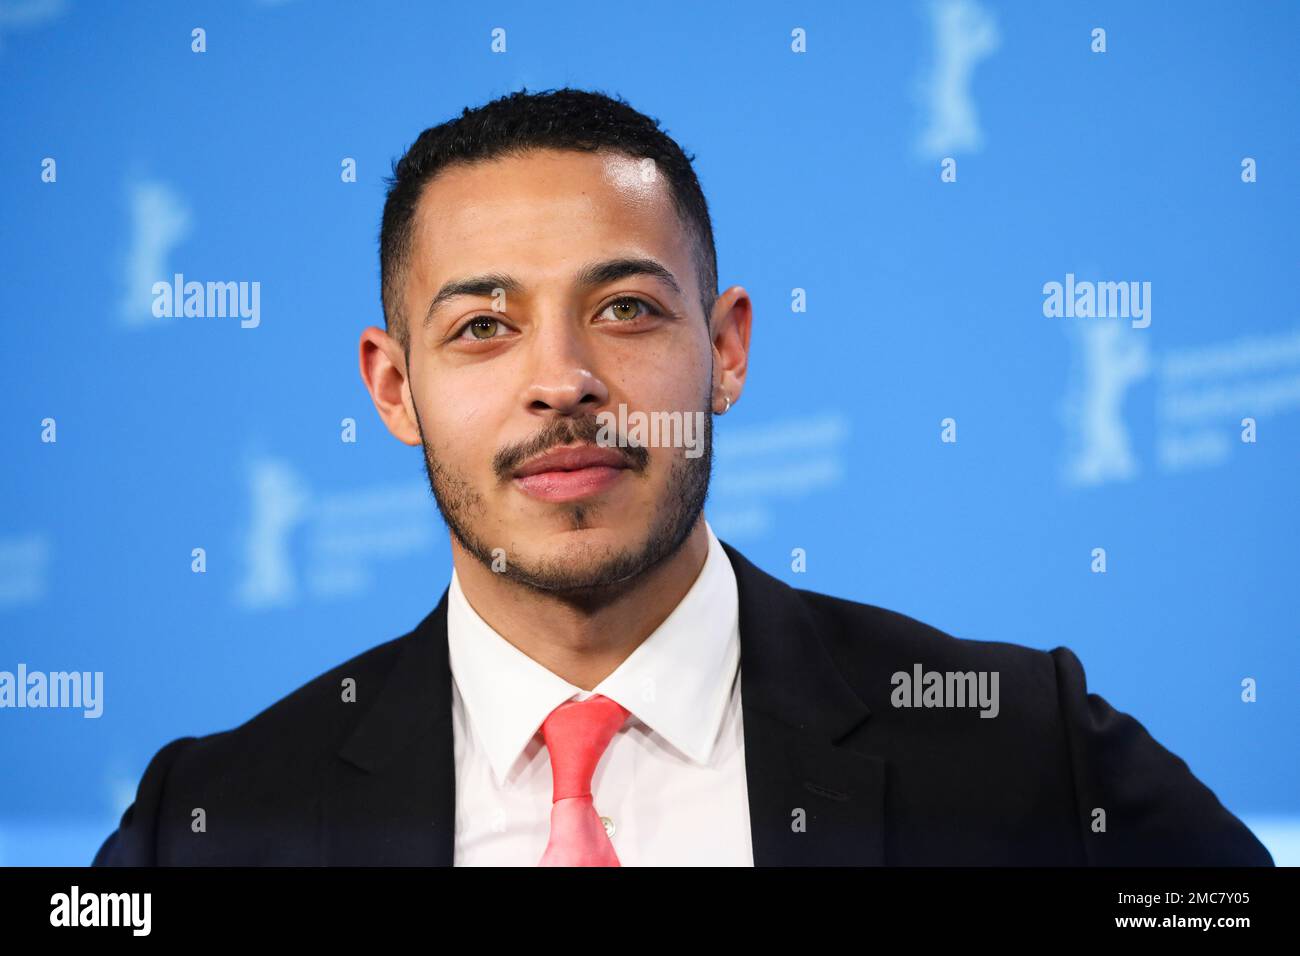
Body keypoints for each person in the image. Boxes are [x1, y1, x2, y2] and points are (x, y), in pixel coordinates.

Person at [93, 88, 1272, 867]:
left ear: (728, 350)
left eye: (623, 308)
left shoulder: (1028, 757)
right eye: (482, 328)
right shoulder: (205, 823)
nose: (561, 380)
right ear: (392, 388)